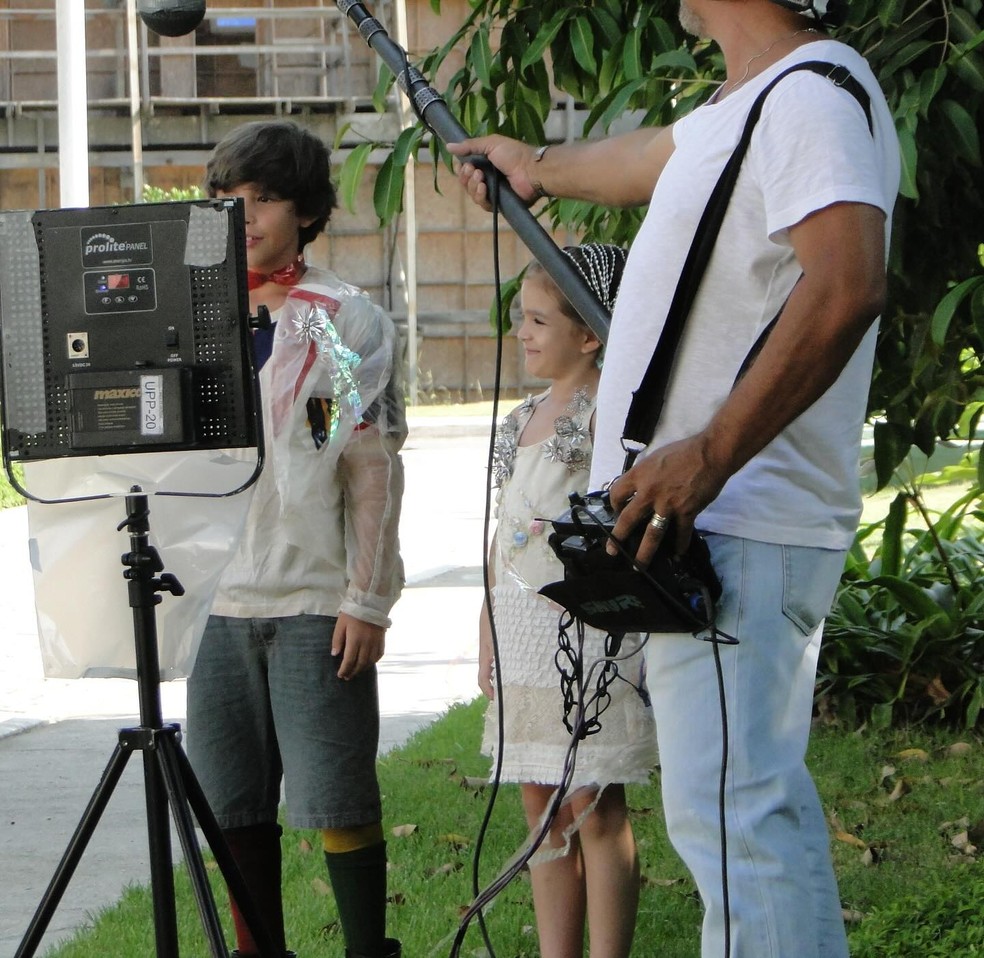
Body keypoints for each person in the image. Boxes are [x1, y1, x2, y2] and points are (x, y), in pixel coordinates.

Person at [451, 0, 900, 954]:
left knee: (737, 826)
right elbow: (649, 156)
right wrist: (533, 165)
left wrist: (710, 450)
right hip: (705, 528)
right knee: (735, 821)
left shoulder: (811, 94)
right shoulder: (749, 102)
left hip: (735, 520)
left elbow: (849, 281)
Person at [187, 120, 405, 958]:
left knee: (336, 796)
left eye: (265, 198)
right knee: (231, 804)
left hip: (315, 599)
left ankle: (365, 950)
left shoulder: (344, 323)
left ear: (308, 211)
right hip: (213, 602)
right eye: (227, 198)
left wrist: (367, 598)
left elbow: (367, 461)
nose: (244, 215)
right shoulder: (193, 317)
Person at [480, 244, 658, 958]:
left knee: (591, 799)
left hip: (583, 632)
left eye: (539, 320)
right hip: (520, 629)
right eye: (521, 318)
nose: (521, 333)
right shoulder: (517, 418)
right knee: (536, 796)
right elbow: (502, 529)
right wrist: (488, 624)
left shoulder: (611, 418)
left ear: (591, 333)